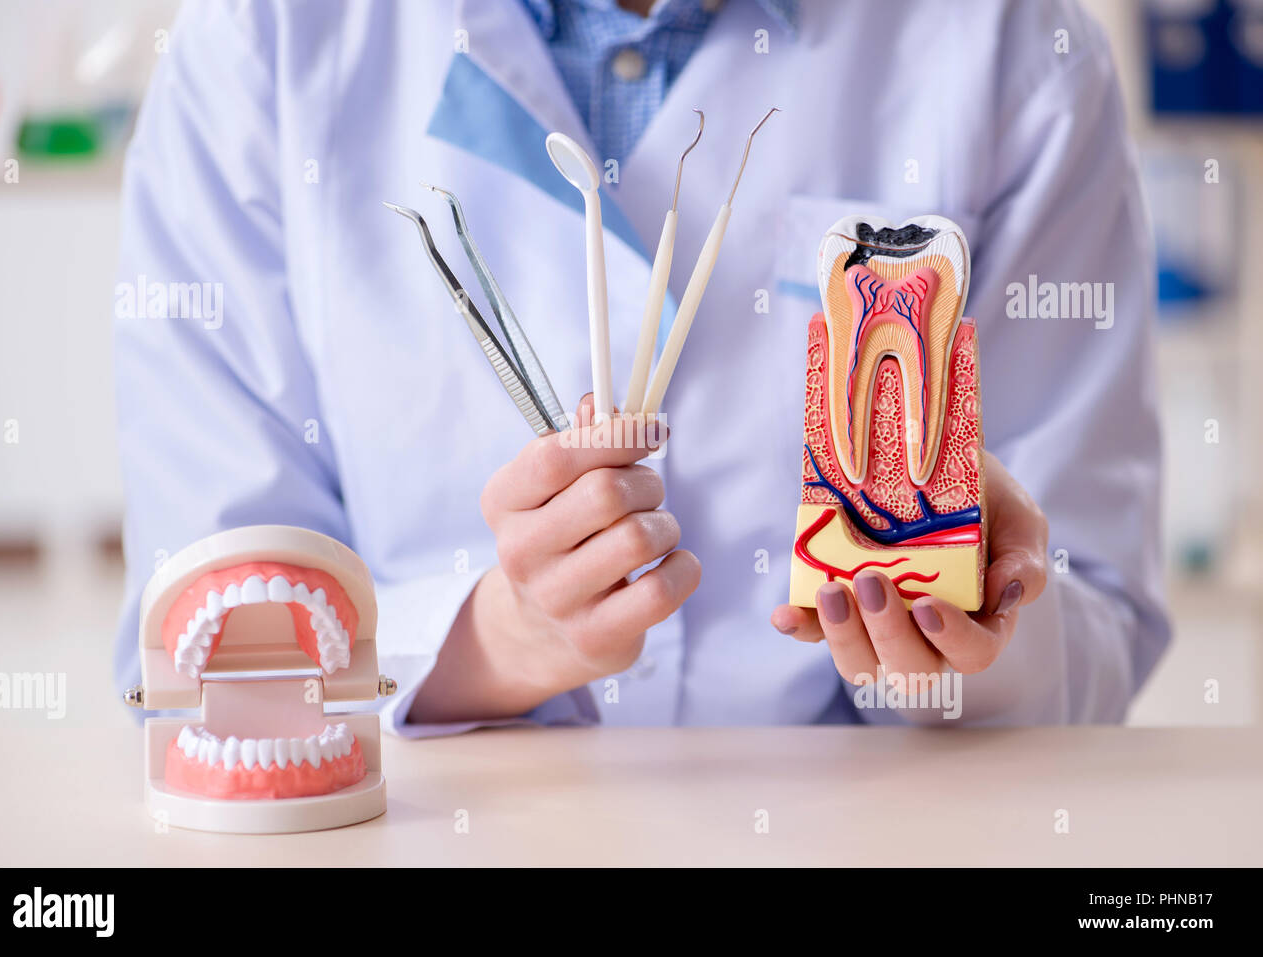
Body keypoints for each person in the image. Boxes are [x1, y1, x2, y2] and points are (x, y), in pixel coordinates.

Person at [113, 0, 1169, 730]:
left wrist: (971, 631)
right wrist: (491, 646)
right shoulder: (262, 41)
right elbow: (205, 667)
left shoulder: (1012, 45)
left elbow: (1097, 632)